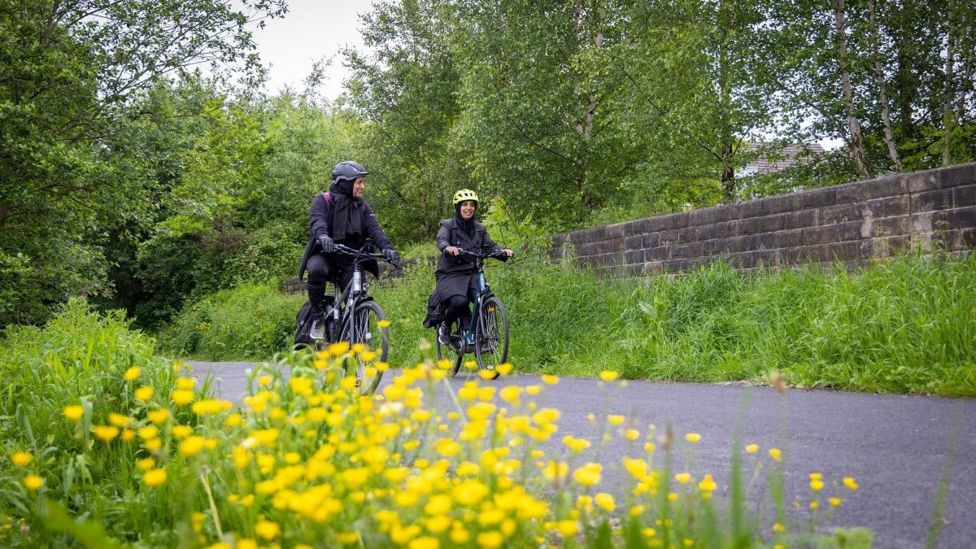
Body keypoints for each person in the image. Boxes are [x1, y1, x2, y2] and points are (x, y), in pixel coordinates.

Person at [298, 161, 400, 326]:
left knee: (358, 297)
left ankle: (359, 340)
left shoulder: (362, 207)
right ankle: (317, 314)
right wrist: (323, 237)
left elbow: (374, 230)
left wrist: (387, 248)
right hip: (326, 254)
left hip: (351, 258)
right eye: (359, 182)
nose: (363, 186)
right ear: (345, 182)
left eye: (362, 182)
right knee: (316, 270)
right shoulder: (323, 200)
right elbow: (318, 221)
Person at [425, 189, 513, 346]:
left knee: (484, 299)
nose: (468, 208)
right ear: (458, 207)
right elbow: (441, 240)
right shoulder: (448, 225)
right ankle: (446, 326)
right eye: (464, 204)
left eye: (472, 205)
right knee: (460, 302)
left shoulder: (480, 228)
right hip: (451, 274)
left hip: (473, 273)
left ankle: (485, 339)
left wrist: (502, 252)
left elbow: (490, 246)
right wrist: (448, 248)